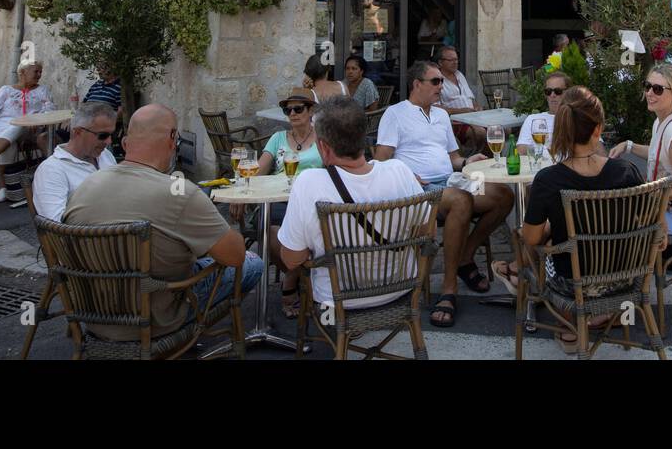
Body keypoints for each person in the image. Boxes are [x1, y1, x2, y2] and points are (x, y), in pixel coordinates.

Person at [64, 104, 263, 341]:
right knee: (253, 262)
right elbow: (235, 256)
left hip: (95, 318)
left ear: (126, 143)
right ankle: (194, 337)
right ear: (172, 138)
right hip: (155, 319)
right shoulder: (179, 193)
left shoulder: (86, 185)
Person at [493, 86, 645, 353]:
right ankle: (603, 316)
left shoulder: (549, 180)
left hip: (571, 282)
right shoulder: (626, 170)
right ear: (598, 129)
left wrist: (553, 226)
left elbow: (532, 238)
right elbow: (643, 220)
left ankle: (569, 325)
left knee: (529, 238)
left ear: (561, 131)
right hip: (626, 277)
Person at [374, 60, 515, 328]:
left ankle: (465, 257)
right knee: (461, 200)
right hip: (420, 190)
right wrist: (404, 174)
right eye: (435, 81)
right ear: (417, 84)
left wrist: (467, 161)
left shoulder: (440, 115)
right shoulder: (395, 113)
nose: (441, 86)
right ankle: (449, 289)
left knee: (503, 196)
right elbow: (381, 160)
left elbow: (452, 157)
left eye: (441, 81)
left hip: (451, 179)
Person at [278, 97, 430, 316]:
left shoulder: (308, 182)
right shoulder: (400, 171)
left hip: (336, 305)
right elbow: (427, 231)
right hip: (400, 293)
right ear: (363, 137)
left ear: (323, 146)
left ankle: (338, 337)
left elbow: (292, 260)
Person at [252, 87, 326, 317]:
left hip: (310, 201)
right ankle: (305, 279)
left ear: (311, 110)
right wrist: (242, 193)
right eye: (288, 109)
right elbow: (258, 171)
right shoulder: (277, 138)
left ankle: (291, 284)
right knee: (272, 233)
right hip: (278, 200)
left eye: (298, 108)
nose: (292, 113)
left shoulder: (323, 139)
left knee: (307, 229)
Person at [609, 63, 672, 237]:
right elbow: (657, 152)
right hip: (659, 207)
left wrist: (647, 190)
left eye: (658, 89)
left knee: (616, 223)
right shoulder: (661, 121)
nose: (649, 93)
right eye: (648, 86)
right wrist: (628, 145)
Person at [0, 62, 55, 203]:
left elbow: (49, 109)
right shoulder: (6, 90)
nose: (39, 75)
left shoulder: (42, 90)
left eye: (40, 72)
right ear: (22, 73)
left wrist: (36, 120)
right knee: (11, 143)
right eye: (36, 72)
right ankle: (4, 187)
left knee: (20, 124)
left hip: (28, 130)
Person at [31, 101, 117, 222]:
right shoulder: (52, 169)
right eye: (102, 136)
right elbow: (55, 222)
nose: (109, 142)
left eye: (111, 135)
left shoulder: (105, 155)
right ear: (77, 132)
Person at [516, 69, 572, 156]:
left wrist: (537, 149)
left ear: (568, 93)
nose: (552, 95)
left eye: (558, 91)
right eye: (548, 91)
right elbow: (521, 150)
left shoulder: (578, 118)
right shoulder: (533, 119)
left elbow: (597, 147)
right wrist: (549, 151)